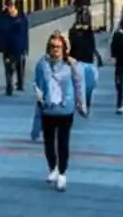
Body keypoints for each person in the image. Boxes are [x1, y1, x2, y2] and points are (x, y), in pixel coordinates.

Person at [33, 31, 87, 192]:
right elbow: (37, 83)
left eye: (58, 46)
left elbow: (79, 85)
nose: (55, 49)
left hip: (65, 109)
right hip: (48, 108)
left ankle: (62, 173)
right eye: (52, 46)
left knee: (63, 142)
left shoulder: (72, 65)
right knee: (49, 143)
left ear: (64, 48)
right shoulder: (42, 64)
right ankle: (53, 168)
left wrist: (81, 104)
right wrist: (39, 96)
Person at [0, 0, 30, 96]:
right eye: (8, 8)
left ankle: (20, 84)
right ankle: (9, 87)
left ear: (14, 7)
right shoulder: (5, 18)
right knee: (8, 68)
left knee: (19, 66)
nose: (9, 10)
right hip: (8, 48)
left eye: (10, 7)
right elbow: (0, 31)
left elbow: (25, 34)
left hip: (19, 47)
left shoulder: (22, 19)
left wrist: (26, 47)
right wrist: (0, 45)